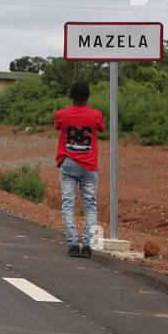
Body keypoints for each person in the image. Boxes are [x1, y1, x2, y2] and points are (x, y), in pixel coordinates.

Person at [54, 80, 106, 258]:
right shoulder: (96, 115)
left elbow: (58, 126)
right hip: (89, 166)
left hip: (68, 163)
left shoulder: (61, 114)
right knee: (90, 206)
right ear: (88, 96)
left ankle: (73, 245)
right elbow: (100, 128)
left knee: (68, 204)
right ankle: (88, 247)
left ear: (72, 96)